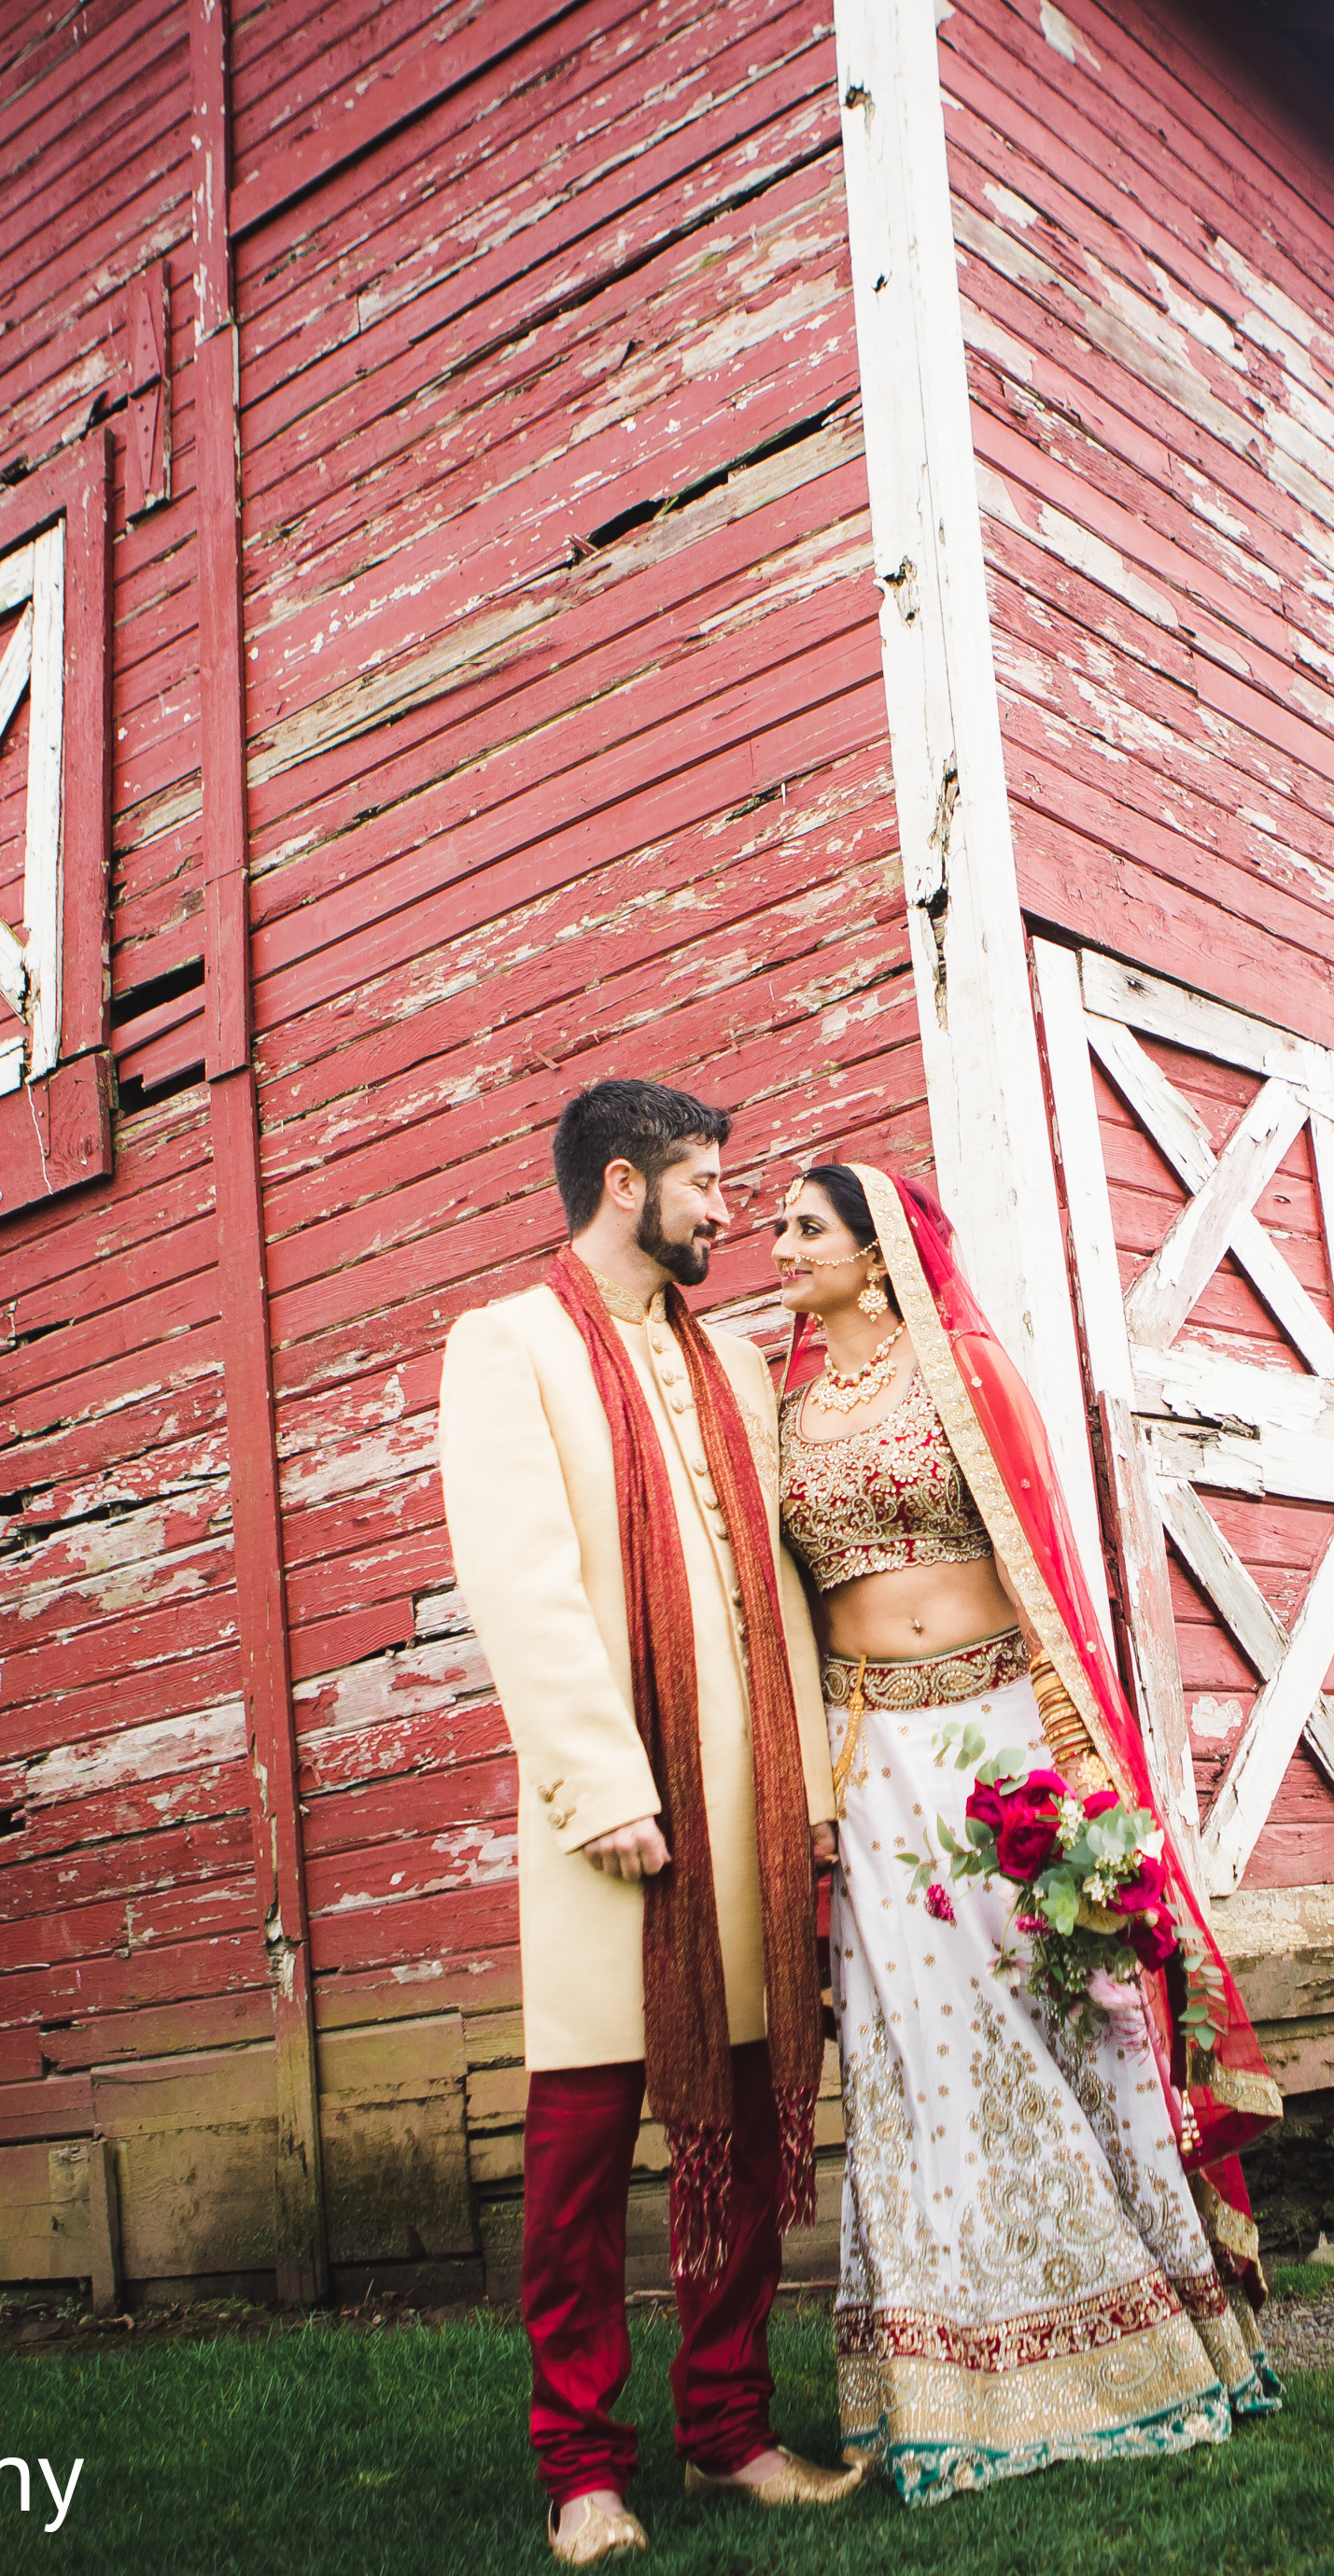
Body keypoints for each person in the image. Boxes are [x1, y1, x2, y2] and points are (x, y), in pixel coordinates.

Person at [763, 1160, 1286, 2504]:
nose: (777, 1248)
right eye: (774, 1227)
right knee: (928, 2047)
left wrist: (1074, 1777)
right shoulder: (786, 1407)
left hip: (999, 1736)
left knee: (1065, 2014)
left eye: (804, 1228)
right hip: (876, 1760)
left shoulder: (970, 1375)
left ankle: (1151, 2340)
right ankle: (958, 2379)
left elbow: (1038, 1570)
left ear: (875, 1253)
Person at [433, 1080, 862, 2565]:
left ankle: (731, 2430)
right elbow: (522, 1584)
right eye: (705, 1184)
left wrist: (811, 1788)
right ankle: (583, 2470)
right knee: (577, 2166)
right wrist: (601, 1784)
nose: (727, 1210)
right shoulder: (510, 1347)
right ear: (624, 1185)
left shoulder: (736, 1368)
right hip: (616, 1820)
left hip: (753, 1816)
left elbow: (788, 1604)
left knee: (748, 2144)